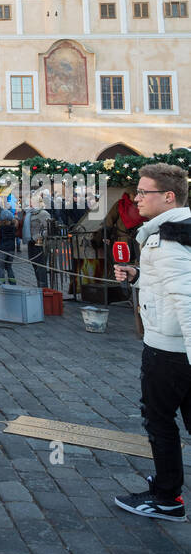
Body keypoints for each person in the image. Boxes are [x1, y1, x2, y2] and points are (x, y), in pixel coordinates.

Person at [113, 163, 191, 521]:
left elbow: (186, 298)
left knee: (159, 421)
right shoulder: (175, 232)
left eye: (145, 193)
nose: (138, 199)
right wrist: (138, 275)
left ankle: (166, 497)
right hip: (174, 345)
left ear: (169, 197)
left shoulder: (168, 239)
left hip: (170, 350)